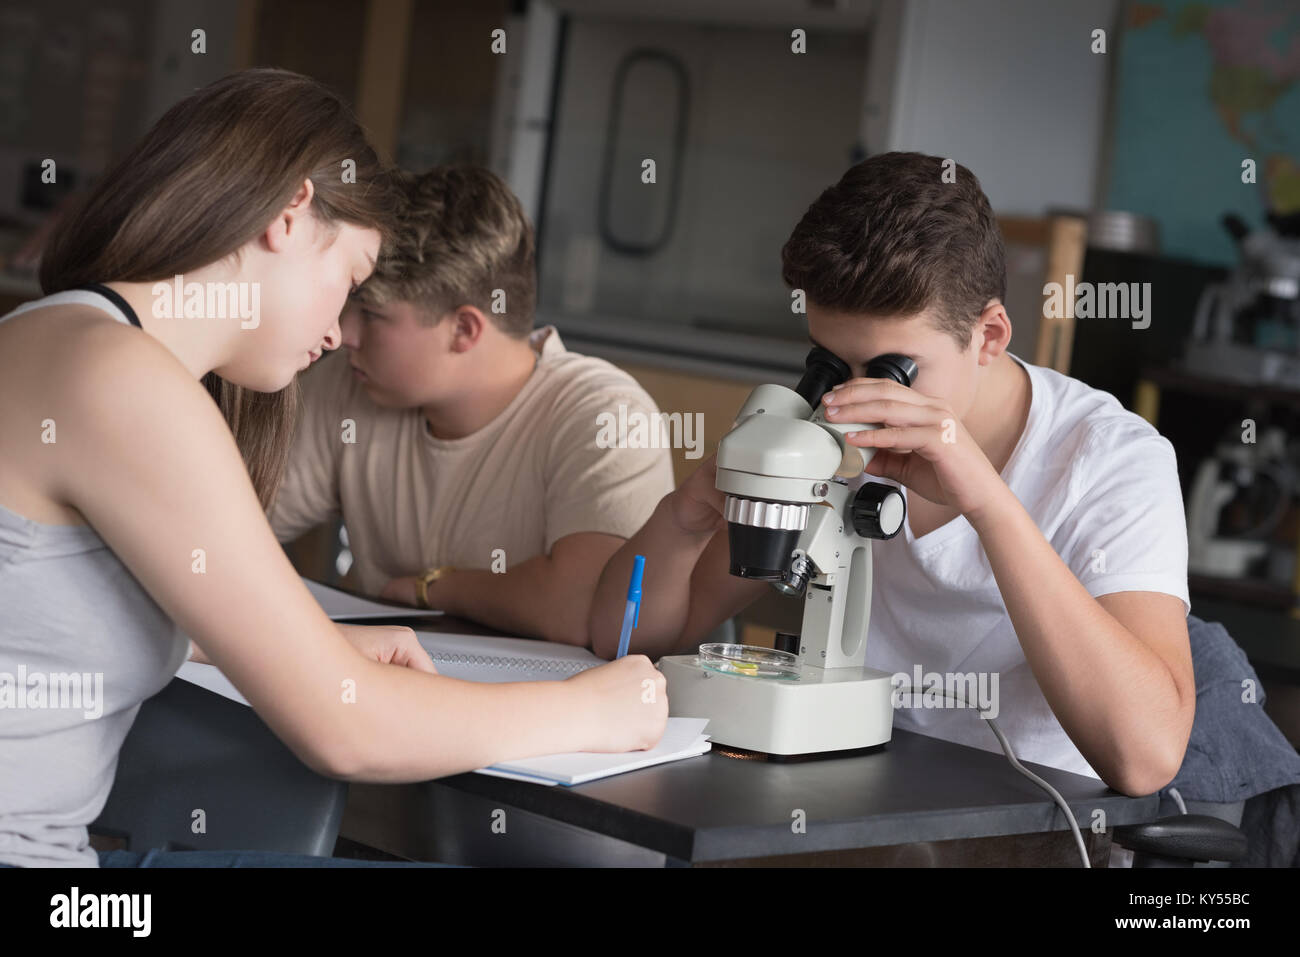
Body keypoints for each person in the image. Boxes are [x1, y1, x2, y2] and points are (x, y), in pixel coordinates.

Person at [0, 68, 665, 869]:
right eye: (349, 278)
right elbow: (345, 731)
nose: (336, 333)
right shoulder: (126, 383)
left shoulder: (49, 334)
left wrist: (317, 646)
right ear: (288, 218)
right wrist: (585, 711)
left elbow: (49, 620)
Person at [588, 152, 1195, 798]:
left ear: (988, 335)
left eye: (892, 373)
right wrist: (686, 512)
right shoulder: (828, 432)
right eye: (830, 364)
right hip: (846, 804)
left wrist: (986, 500)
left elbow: (1146, 755)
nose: (851, 400)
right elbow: (621, 636)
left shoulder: (1110, 459)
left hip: (1023, 832)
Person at [267, 166, 674, 645]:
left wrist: (433, 589)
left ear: (464, 330)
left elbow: (583, 606)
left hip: (539, 709)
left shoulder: (608, 416)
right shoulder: (352, 383)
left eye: (372, 316)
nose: (343, 335)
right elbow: (226, 524)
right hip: (383, 686)